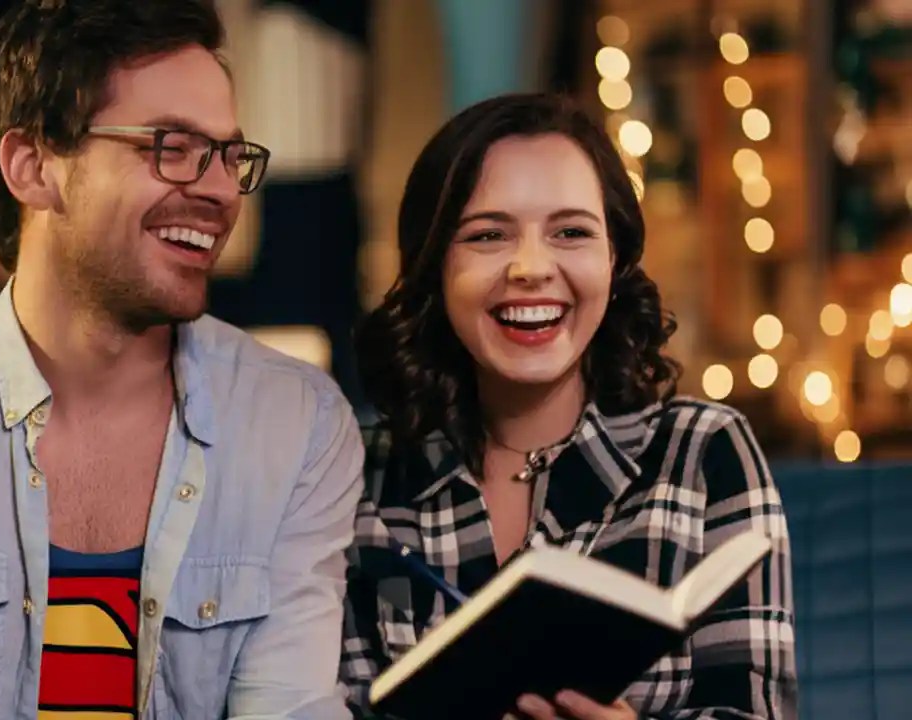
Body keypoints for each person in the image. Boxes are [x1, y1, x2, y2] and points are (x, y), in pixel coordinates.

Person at [0, 1, 364, 718]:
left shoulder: (299, 425)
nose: (216, 189)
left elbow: (288, 709)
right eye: (171, 146)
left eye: (230, 156)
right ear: (33, 167)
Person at [339, 93, 797, 720]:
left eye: (571, 232)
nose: (531, 267)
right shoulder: (362, 474)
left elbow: (754, 710)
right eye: (488, 235)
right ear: (434, 266)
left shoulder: (704, 451)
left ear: (613, 261)